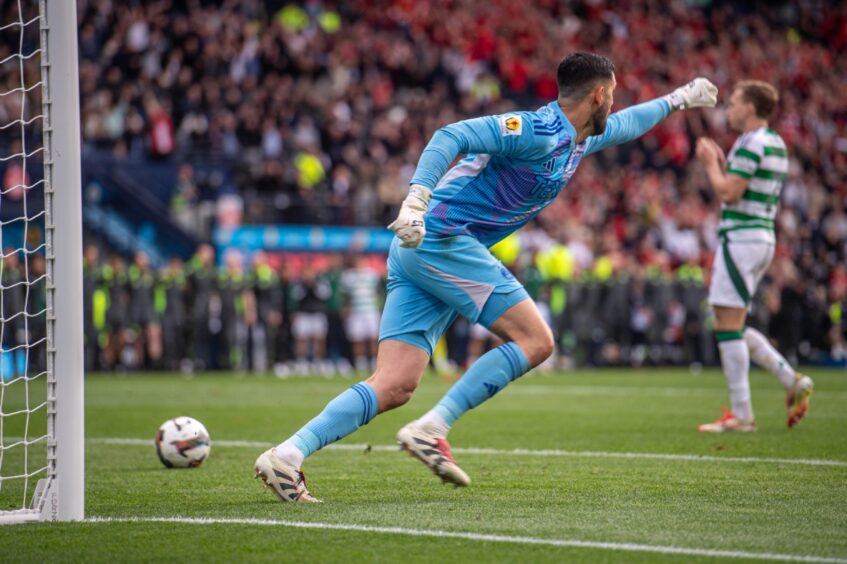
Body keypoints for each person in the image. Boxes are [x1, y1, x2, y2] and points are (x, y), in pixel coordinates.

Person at [255, 52, 717, 502]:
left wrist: (680, 98)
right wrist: (416, 200)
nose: (615, 104)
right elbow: (450, 135)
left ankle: (286, 456)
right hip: (440, 237)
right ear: (598, 94)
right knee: (537, 341)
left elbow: (630, 123)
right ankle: (432, 428)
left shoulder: (580, 138)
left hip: (428, 248)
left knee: (395, 384)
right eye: (613, 94)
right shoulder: (537, 130)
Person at [695, 80, 813, 433]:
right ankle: (789, 379)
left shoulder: (751, 142)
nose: (728, 109)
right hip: (761, 237)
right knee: (734, 324)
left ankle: (743, 415)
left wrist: (711, 163)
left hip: (741, 238)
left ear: (749, 108)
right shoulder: (776, 142)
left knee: (727, 327)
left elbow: (729, 192)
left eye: (733, 103)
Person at [341, 254, 383, 373]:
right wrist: (345, 308)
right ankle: (360, 363)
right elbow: (345, 295)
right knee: (357, 339)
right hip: (355, 312)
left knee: (373, 338)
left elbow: (379, 291)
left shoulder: (372, 275)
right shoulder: (348, 276)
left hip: (370, 311)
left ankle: (374, 362)